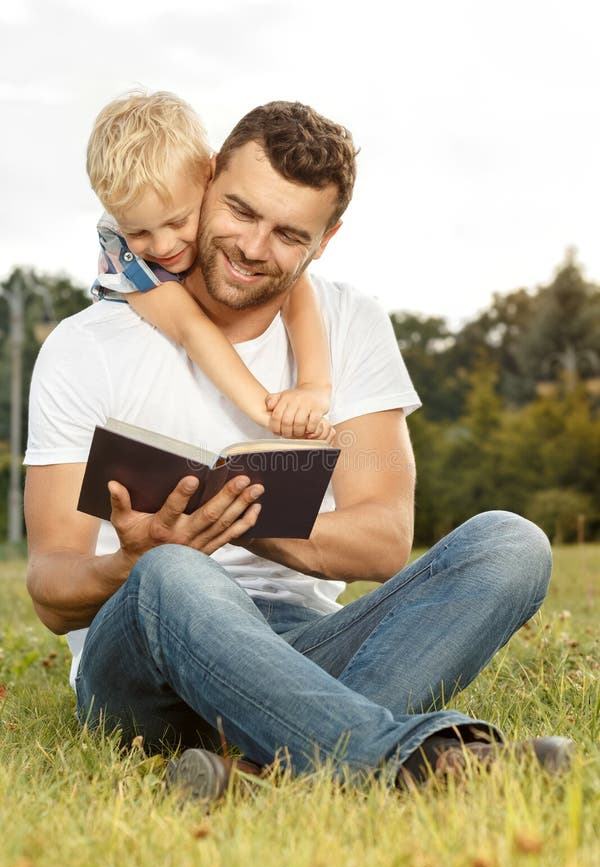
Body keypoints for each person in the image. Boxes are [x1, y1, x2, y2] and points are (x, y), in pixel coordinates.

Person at [24, 99, 573, 801]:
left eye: (289, 233)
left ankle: (271, 773)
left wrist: (245, 519)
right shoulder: (87, 345)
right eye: (241, 212)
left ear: (326, 240)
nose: (254, 247)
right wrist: (133, 560)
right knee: (172, 572)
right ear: (210, 177)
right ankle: (412, 764)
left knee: (511, 543)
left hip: (302, 645)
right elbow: (50, 587)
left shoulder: (351, 323)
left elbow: (382, 541)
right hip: (142, 659)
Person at [87, 91, 334, 442]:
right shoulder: (124, 251)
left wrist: (314, 388)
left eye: (178, 222)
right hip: (148, 353)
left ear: (208, 177)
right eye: (139, 230)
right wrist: (275, 416)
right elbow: (192, 330)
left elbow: (295, 288)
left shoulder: (207, 190)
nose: (162, 246)